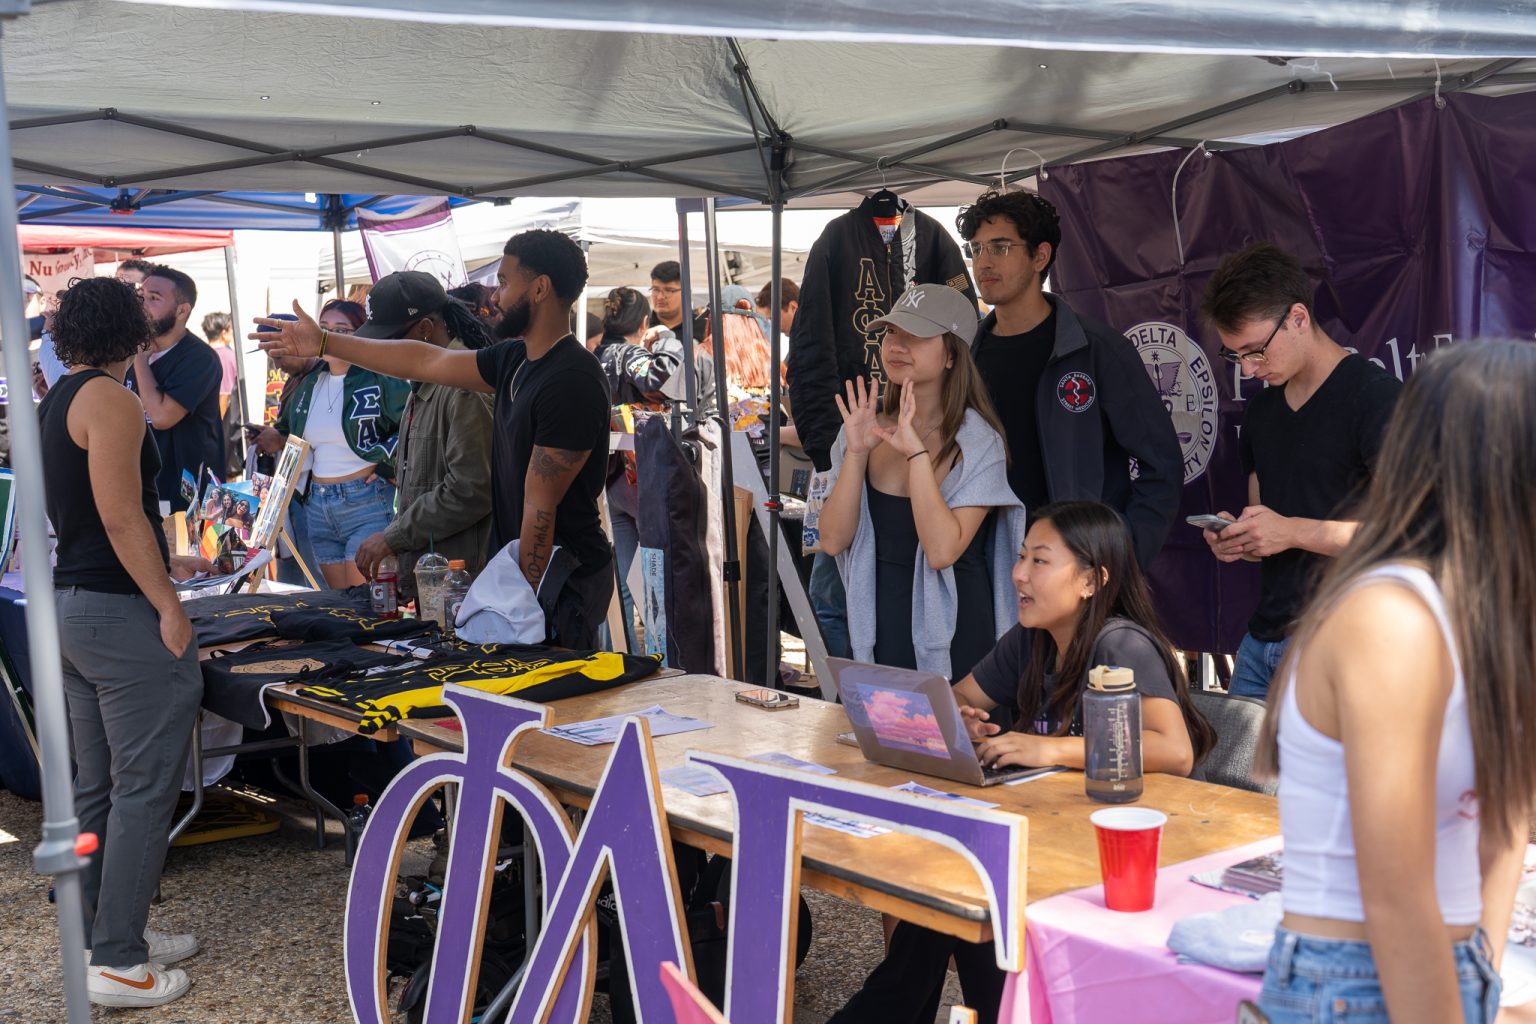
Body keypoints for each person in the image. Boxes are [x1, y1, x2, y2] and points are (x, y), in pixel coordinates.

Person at [832, 500, 1213, 1024]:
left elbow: (1175, 751)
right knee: (952, 899)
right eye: (1021, 557)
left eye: (1040, 561)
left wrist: (1048, 748)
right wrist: (961, 719)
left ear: (1091, 581)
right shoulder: (1031, 641)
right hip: (1052, 840)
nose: (1019, 574)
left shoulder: (1121, 642)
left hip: (1123, 860)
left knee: (958, 909)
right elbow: (958, 696)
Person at [1251, 341, 1536, 1023]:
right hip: (1355, 982)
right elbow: (1397, 889)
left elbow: (1504, 831)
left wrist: (1480, 975)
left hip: (1446, 966)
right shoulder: (1391, 618)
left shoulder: (1485, 613)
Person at [254, 234, 613, 648]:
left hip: (557, 580)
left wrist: (521, 603)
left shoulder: (571, 379)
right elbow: (426, 360)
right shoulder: (515, 360)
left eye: (504, 282)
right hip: (523, 580)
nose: (495, 296)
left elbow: (540, 508)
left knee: (554, 686)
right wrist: (324, 343)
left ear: (540, 288)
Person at [40, 276, 217, 1007]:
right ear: (130, 333)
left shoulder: (59, 397)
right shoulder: (110, 399)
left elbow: (95, 516)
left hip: (75, 608)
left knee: (99, 786)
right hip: (114, 613)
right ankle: (117, 961)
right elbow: (118, 516)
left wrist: (166, 565)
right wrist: (169, 604)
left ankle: (102, 935)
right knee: (141, 789)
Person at [1198, 243, 1403, 699]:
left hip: (1347, 641)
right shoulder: (1261, 414)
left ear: (1297, 318)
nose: (1248, 368)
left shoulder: (1375, 399)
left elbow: (1412, 535)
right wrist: (1243, 540)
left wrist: (1290, 530)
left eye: (1256, 350)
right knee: (1228, 750)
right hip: (1262, 642)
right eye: (1235, 355)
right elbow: (1268, 535)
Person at [957, 188, 1182, 570]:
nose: (984, 262)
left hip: (1074, 569)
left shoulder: (1098, 350)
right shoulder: (964, 356)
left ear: (1040, 256)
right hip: (986, 567)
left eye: (1000, 247)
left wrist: (1120, 556)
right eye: (976, 249)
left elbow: (1161, 466)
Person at [817, 283, 1025, 683]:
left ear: (951, 354)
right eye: (892, 332)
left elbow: (942, 550)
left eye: (916, 335)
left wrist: (916, 456)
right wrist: (856, 454)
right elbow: (832, 540)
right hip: (876, 629)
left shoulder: (979, 443)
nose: (897, 345)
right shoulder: (866, 427)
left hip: (955, 636)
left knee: (954, 726)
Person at [351, 274, 497, 599]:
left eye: (389, 342)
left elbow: (471, 489)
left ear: (425, 329)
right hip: (432, 581)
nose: (381, 355)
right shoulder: (423, 385)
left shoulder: (464, 390)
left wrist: (394, 537)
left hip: (461, 589)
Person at [273, 299, 408, 588]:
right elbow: (291, 434)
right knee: (341, 604)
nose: (329, 336)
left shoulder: (381, 378)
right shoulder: (310, 383)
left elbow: (412, 424)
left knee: (368, 602)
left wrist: (386, 467)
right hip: (318, 506)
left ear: (361, 334)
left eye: (341, 330)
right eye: (323, 328)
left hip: (366, 501)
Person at [591, 286, 686, 651]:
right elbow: (665, 378)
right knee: (653, 580)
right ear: (644, 322)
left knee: (623, 584)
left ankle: (626, 657)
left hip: (610, 478)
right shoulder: (629, 353)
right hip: (640, 475)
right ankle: (661, 655)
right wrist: (668, 340)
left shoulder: (595, 355)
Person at [124, 265, 226, 514]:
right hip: (143, 489)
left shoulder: (199, 358)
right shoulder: (129, 353)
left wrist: (139, 359)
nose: (142, 305)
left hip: (188, 500)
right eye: (141, 297)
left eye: (154, 298)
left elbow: (161, 417)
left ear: (182, 310)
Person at [200, 311, 238, 417]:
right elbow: (224, 395)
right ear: (224, 333)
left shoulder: (200, 353)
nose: (232, 332)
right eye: (231, 329)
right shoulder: (227, 356)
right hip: (219, 419)